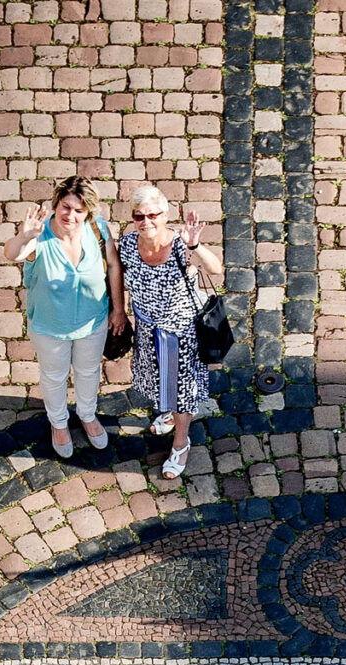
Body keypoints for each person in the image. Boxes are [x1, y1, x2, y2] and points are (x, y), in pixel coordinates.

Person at [109, 184, 225, 479]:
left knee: (182, 390)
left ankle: (180, 442)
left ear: (165, 215)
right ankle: (169, 414)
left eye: (153, 215)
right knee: (159, 380)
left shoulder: (181, 244)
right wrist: (119, 310)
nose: (146, 222)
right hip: (148, 328)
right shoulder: (128, 244)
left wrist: (195, 246)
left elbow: (215, 269)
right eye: (139, 216)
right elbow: (117, 274)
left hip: (181, 331)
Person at [2, 175, 118, 459]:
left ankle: (87, 415)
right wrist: (23, 236)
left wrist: (118, 309)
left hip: (93, 321)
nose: (71, 215)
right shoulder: (39, 236)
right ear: (56, 204)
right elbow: (12, 254)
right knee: (54, 376)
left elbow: (114, 266)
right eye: (66, 207)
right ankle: (58, 422)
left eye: (79, 210)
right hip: (50, 326)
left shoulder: (98, 228)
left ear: (88, 211)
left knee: (88, 371)